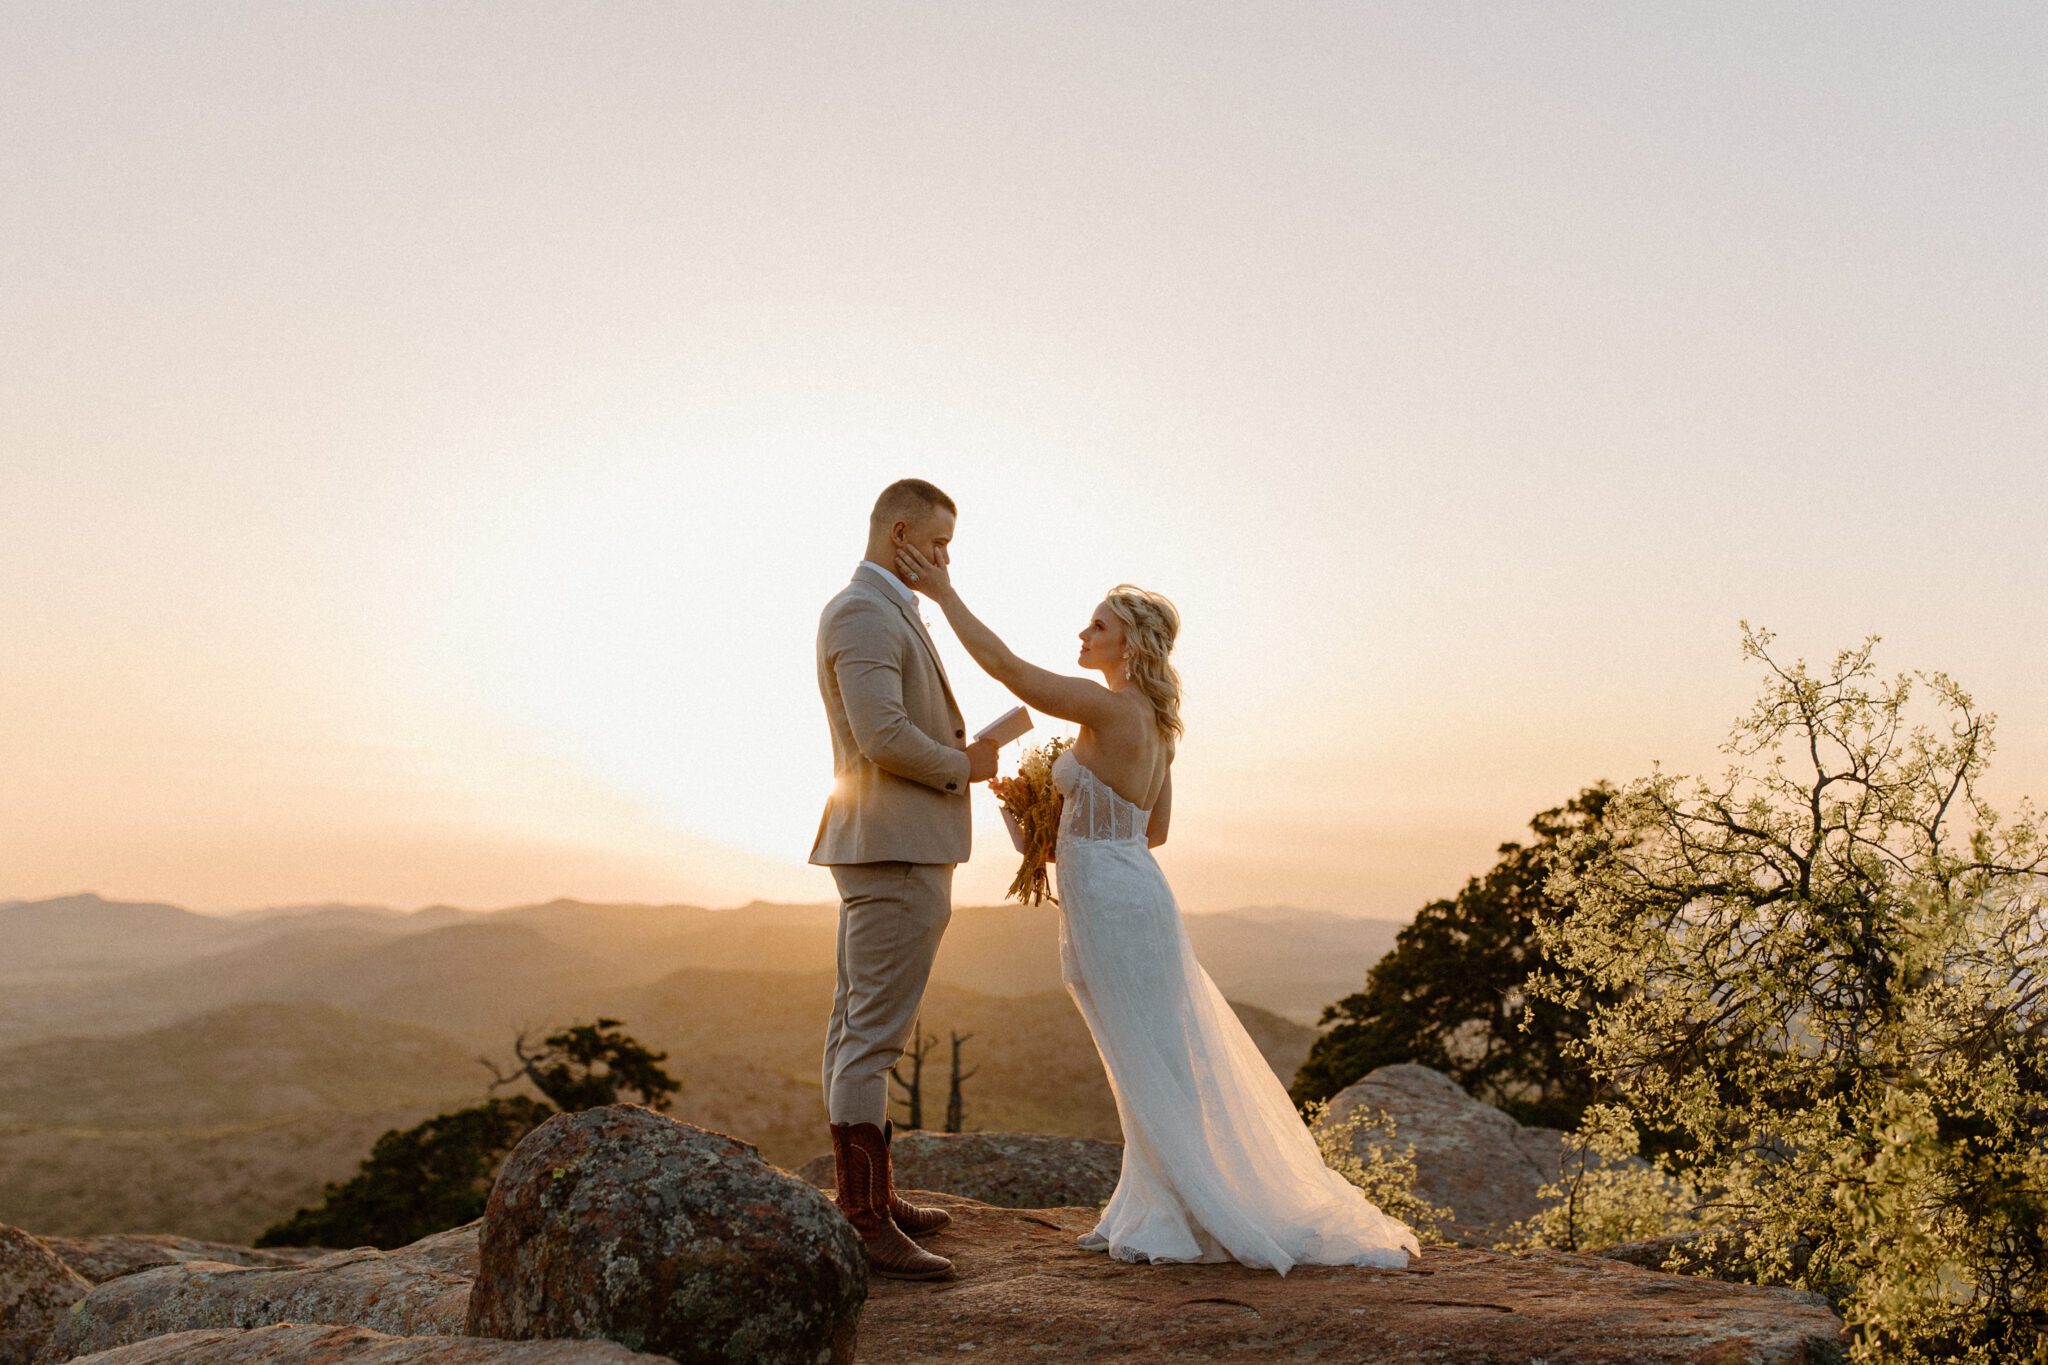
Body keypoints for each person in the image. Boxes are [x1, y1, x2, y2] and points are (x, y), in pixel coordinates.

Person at [895, 542, 1420, 1274]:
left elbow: (1008, 669)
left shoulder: (1104, 707)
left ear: (1131, 644)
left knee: (1141, 1056)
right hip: (1134, 891)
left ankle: (1182, 1214)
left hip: (1112, 904)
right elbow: (1155, 831)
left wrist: (944, 593)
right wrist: (1040, 817)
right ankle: (1152, 1202)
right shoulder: (1157, 724)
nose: (1083, 635)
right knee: (1149, 1055)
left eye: (1098, 626)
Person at [810, 478, 997, 1280]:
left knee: (857, 1022)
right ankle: (864, 1220)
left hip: (893, 842)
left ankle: (874, 1195)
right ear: (900, 533)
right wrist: (964, 764)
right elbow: (881, 734)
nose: (945, 558)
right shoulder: (863, 611)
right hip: (896, 846)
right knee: (872, 1036)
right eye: (939, 543)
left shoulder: (888, 609)